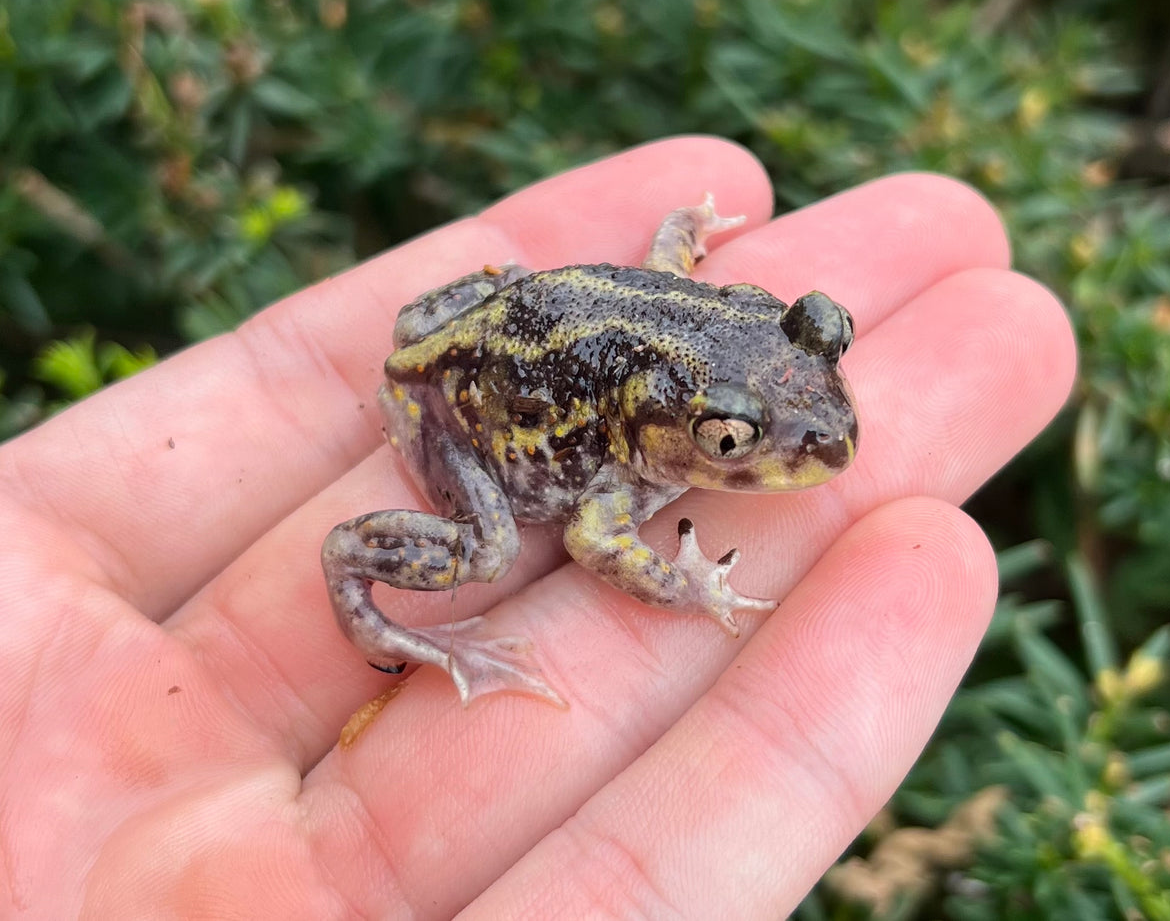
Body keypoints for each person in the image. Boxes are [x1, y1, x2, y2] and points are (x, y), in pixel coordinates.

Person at [0, 136, 1075, 918]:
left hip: (492, 320)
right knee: (493, 550)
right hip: (456, 408)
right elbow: (599, 542)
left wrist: (679, 242)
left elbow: (662, 278)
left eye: (821, 342)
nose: (816, 441)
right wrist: (692, 588)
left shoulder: (704, 340)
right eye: (736, 439)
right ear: (672, 432)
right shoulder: (625, 462)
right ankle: (363, 584)